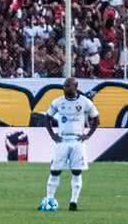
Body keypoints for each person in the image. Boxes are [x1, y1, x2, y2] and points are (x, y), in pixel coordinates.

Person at [40, 78, 99, 212]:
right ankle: (49, 199)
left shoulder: (85, 102)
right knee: (55, 170)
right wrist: (53, 135)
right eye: (64, 86)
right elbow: (47, 118)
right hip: (62, 140)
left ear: (76, 86)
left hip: (78, 141)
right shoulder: (58, 102)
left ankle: (73, 202)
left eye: (68, 86)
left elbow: (96, 118)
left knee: (76, 172)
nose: (65, 88)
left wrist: (88, 135)